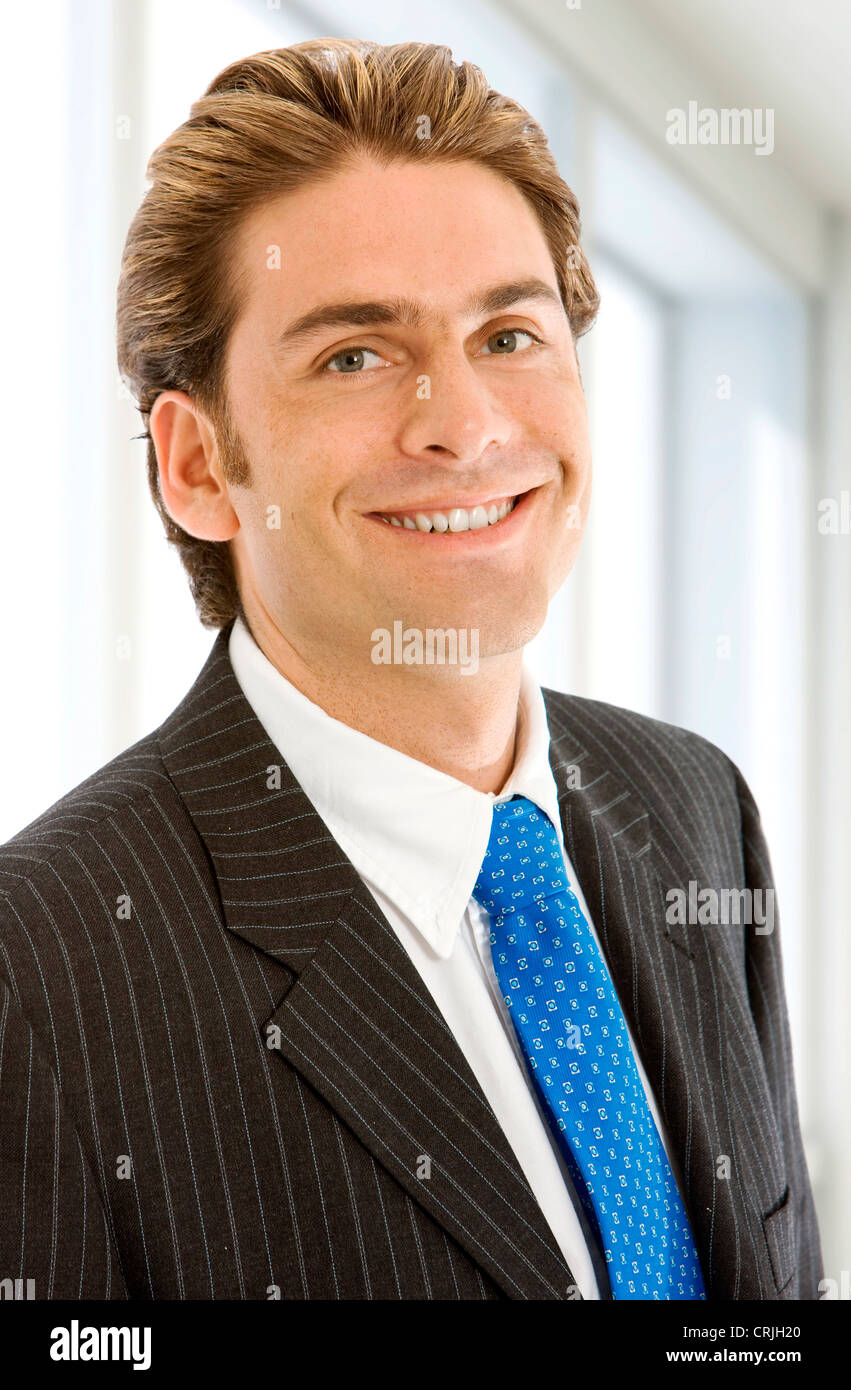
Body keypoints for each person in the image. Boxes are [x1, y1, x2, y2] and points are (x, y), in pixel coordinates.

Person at [0, 37, 821, 1301]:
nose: (464, 421)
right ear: (199, 467)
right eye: (353, 355)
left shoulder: (694, 811)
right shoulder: (42, 968)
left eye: (507, 334)